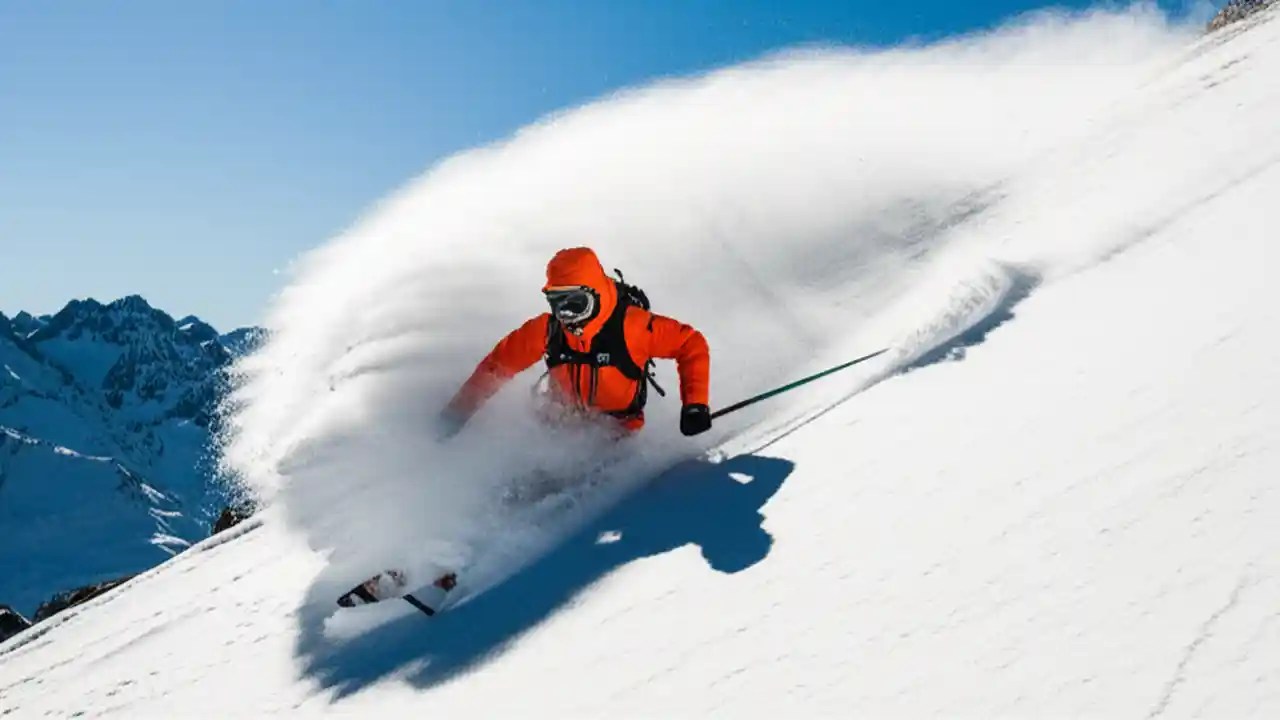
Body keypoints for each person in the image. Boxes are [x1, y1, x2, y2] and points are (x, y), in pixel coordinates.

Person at [441, 247, 711, 438]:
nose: (567, 316)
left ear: (595, 294)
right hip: (558, 427)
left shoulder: (633, 327)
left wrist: (695, 404)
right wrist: (456, 414)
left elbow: (690, 344)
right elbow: (497, 367)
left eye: (576, 304)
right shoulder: (548, 330)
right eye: (558, 304)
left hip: (618, 432)